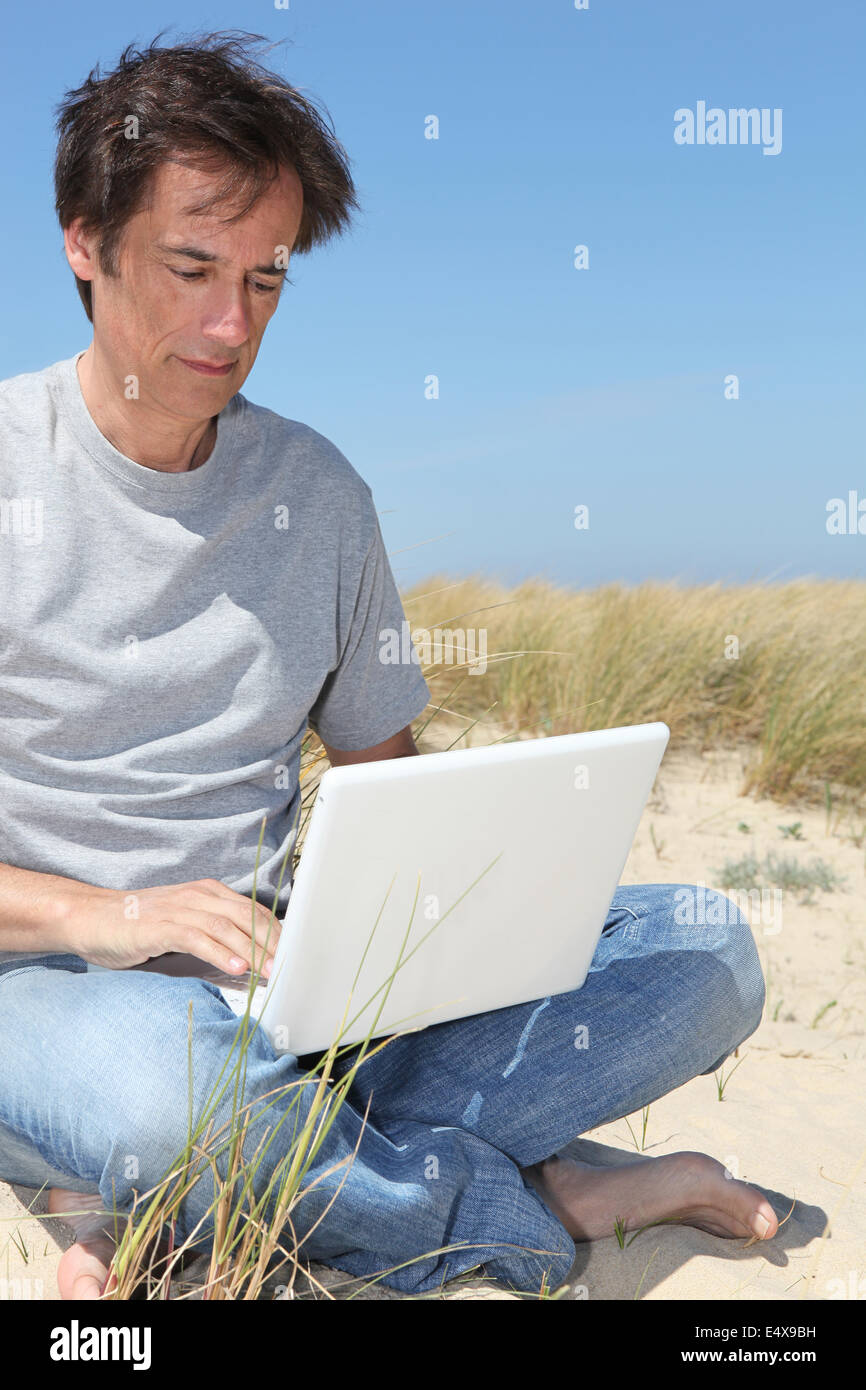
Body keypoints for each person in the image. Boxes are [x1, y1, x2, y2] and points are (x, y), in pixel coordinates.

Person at [0, 33, 778, 1301]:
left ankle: (197, 1192)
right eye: (192, 266)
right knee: (164, 1096)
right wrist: (115, 916)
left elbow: (389, 795)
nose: (227, 323)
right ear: (83, 239)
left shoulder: (317, 492)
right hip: (52, 983)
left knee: (709, 945)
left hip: (288, 992)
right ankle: (527, 1201)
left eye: (265, 280)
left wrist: (418, 934)